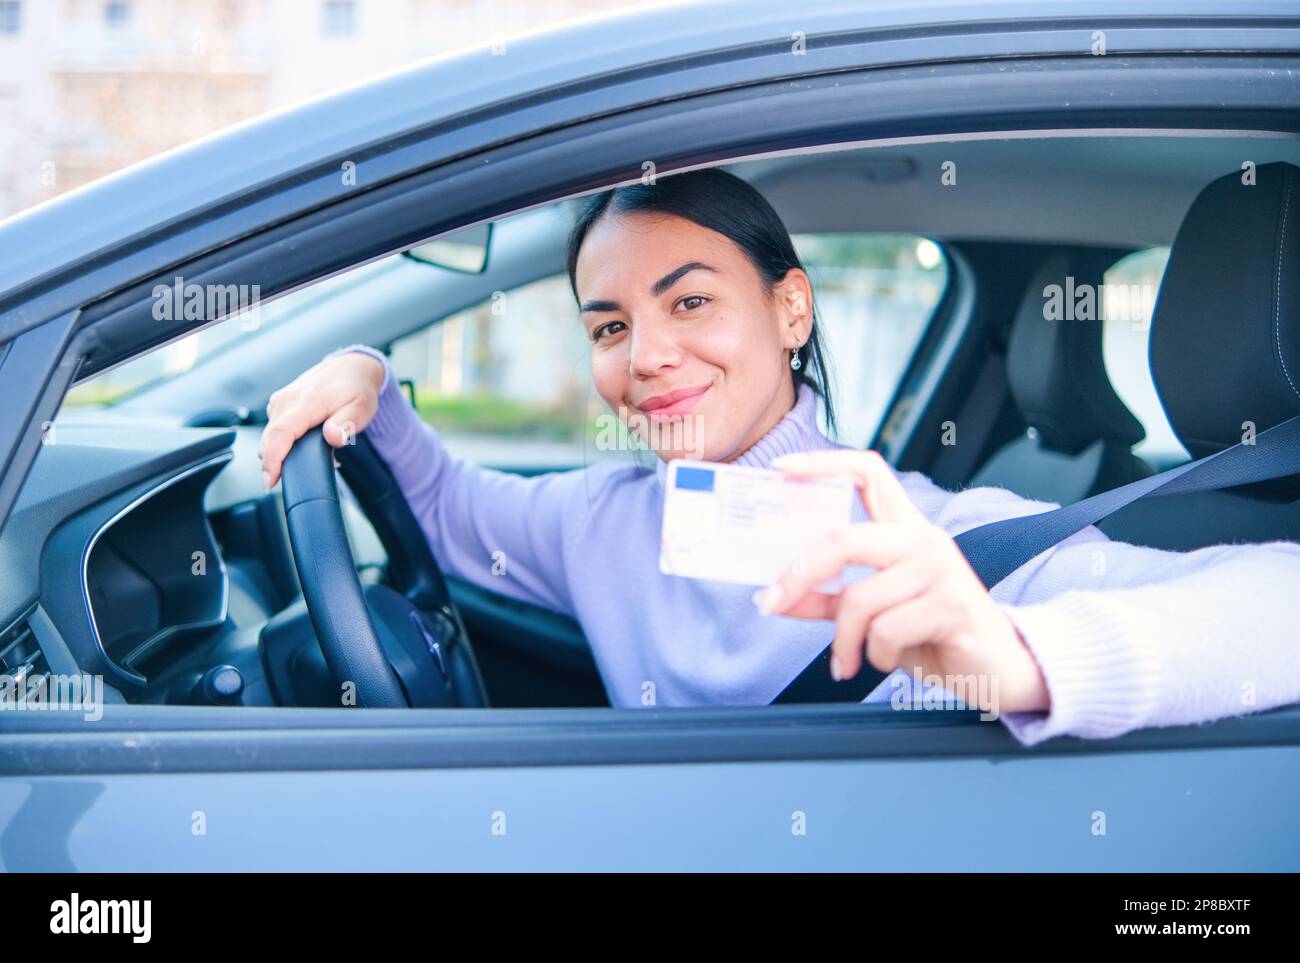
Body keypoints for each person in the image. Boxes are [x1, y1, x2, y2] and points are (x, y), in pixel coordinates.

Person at [257, 168, 1300, 745]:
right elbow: (441, 506)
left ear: (789, 307)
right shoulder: (600, 521)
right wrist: (367, 376)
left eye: (691, 301)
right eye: (609, 326)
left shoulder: (931, 537)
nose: (648, 355)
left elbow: (1282, 608)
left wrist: (1023, 655)